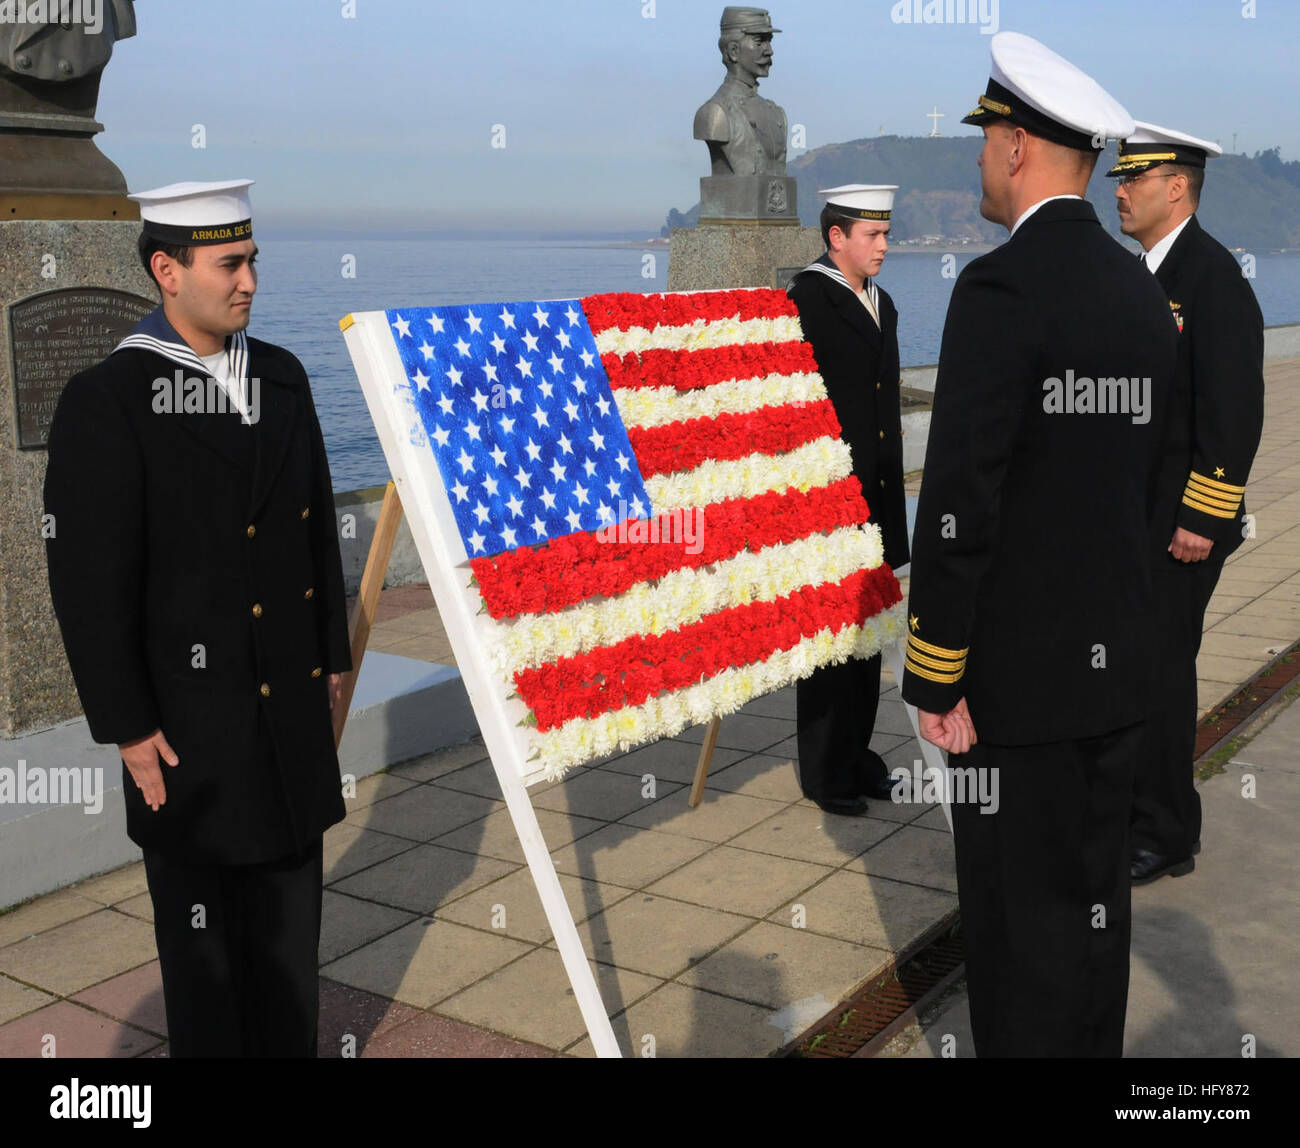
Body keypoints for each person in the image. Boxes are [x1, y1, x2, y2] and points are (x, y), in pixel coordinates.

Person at [900, 32, 1178, 1056]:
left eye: (986, 139)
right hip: (1116, 679)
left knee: (1019, 941)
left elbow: (960, 502)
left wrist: (936, 670)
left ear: (1015, 146)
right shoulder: (1139, 290)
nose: (981, 158)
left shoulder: (999, 289)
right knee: (1093, 930)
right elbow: (1148, 486)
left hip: (1015, 695)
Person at [43, 179, 352, 1058]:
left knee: (290, 961)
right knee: (207, 973)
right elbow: (89, 584)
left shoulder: (282, 377)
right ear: (166, 271)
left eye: (252, 260)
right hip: (190, 733)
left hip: (287, 721)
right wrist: (128, 727)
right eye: (229, 265)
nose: (249, 281)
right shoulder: (108, 399)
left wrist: (332, 660)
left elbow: (313, 531)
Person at [1107, 124, 1265, 885]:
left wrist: (1202, 517)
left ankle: (1165, 832)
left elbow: (1233, 410)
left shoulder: (1211, 278)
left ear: (1176, 188)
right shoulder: (1139, 274)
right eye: (1117, 177)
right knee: (1136, 668)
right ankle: (1136, 812)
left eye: (1133, 178)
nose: (1118, 191)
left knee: (1161, 674)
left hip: (1180, 523)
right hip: (1137, 517)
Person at [787, 185, 909, 816]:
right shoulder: (806, 300)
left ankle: (856, 755)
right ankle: (825, 771)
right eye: (872, 235)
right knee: (829, 643)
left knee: (867, 635)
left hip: (876, 496)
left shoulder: (880, 300)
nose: (884, 246)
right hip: (830, 499)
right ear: (836, 237)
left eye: (886, 234)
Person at [693, 7, 787, 177]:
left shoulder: (777, 114)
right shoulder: (715, 113)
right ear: (733, 51)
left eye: (769, 41)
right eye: (759, 42)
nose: (769, 51)